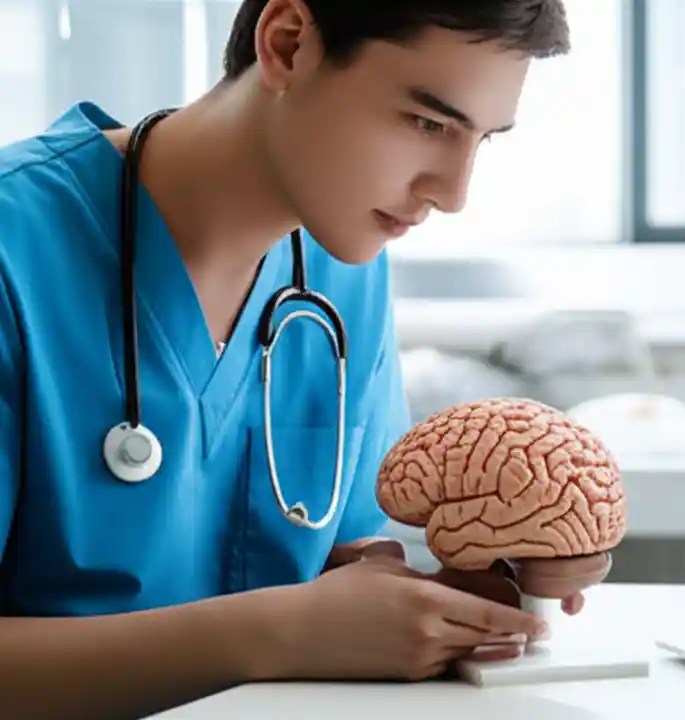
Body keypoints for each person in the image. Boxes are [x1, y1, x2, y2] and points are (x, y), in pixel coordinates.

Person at [0, 1, 575, 717]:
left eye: (481, 141)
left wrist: (479, 580)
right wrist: (276, 634)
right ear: (289, 43)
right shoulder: (14, 251)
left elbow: (343, 560)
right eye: (427, 123)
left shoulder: (343, 267)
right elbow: (295, 623)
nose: (453, 194)